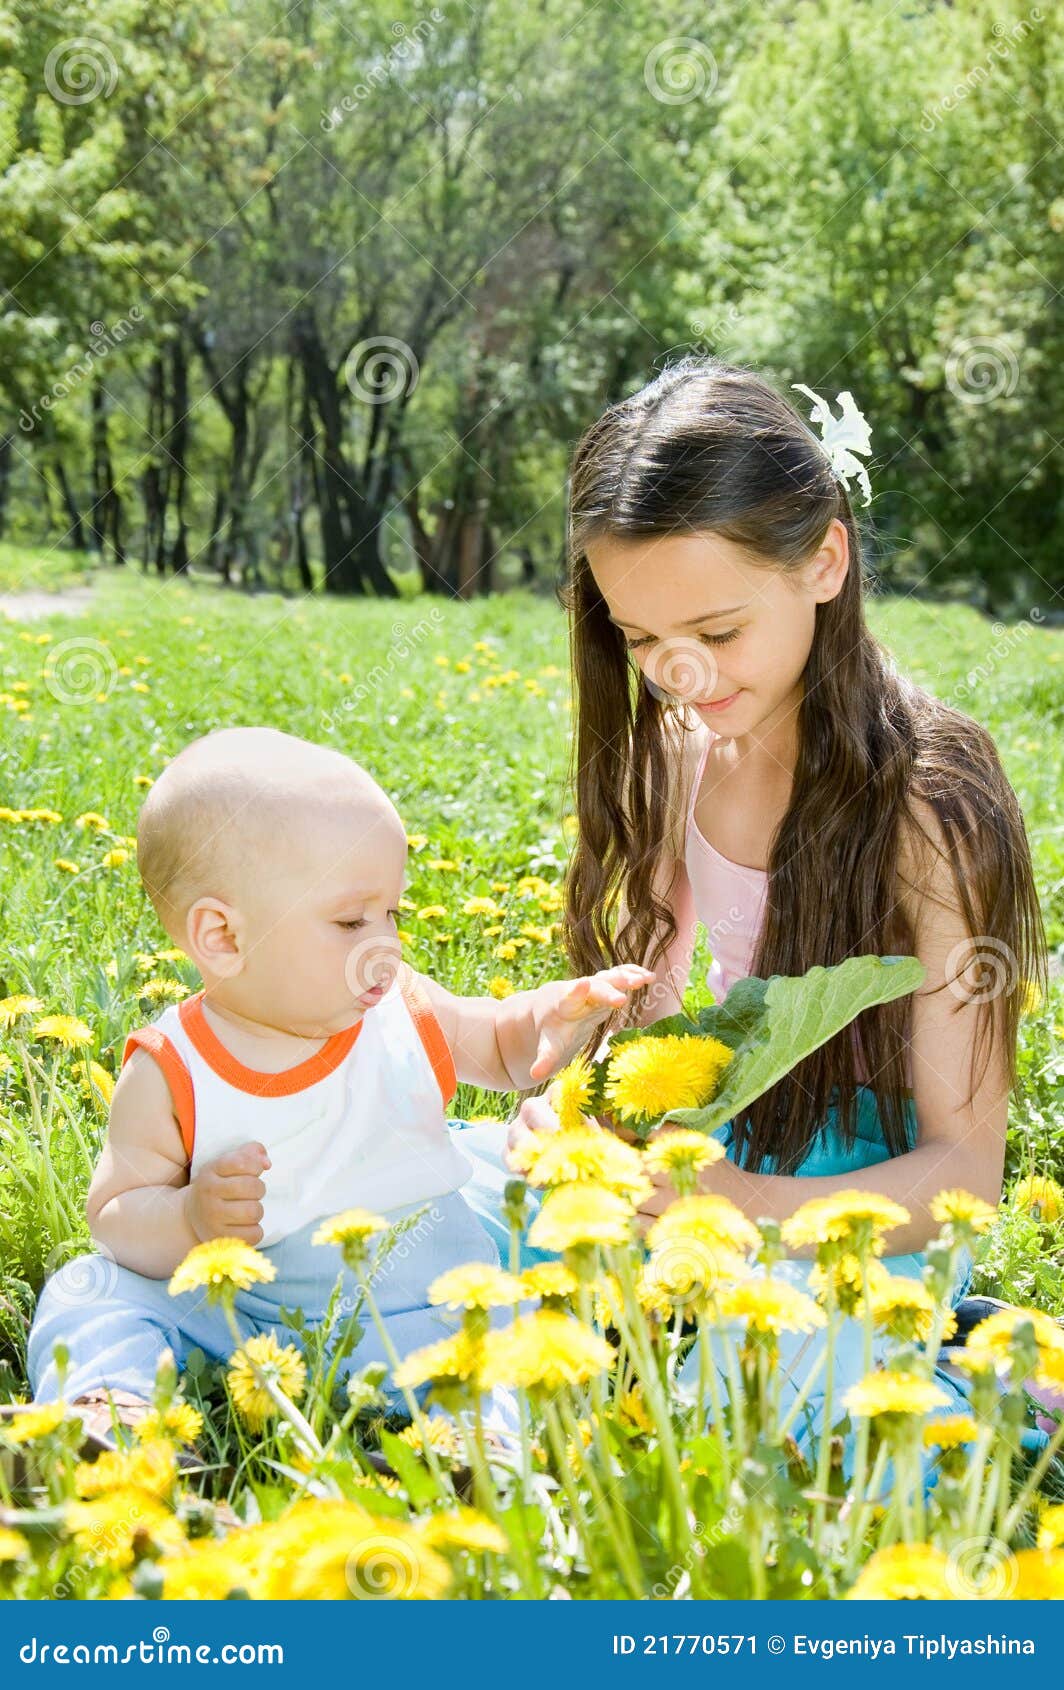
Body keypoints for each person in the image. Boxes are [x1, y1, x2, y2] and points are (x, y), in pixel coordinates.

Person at [455, 353, 1049, 1469]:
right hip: (684, 1178)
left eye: (716, 631)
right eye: (638, 639)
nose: (677, 672)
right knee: (410, 1197)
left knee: (771, 1421)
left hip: (842, 1210)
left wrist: (740, 1205)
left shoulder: (928, 804)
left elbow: (963, 1170)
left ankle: (961, 1362)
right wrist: (580, 1122)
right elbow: (665, 1048)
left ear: (823, 558)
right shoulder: (677, 758)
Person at [22, 727, 653, 1451]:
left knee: (497, 1342)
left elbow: (500, 1047)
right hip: (244, 1318)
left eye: (393, 915)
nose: (385, 945)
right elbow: (115, 1212)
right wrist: (189, 1219)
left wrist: (546, 1016)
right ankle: (110, 1412)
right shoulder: (173, 1069)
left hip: (424, 1305)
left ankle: (482, 1449)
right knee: (89, 1291)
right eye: (351, 920)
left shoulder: (398, 1009)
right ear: (223, 938)